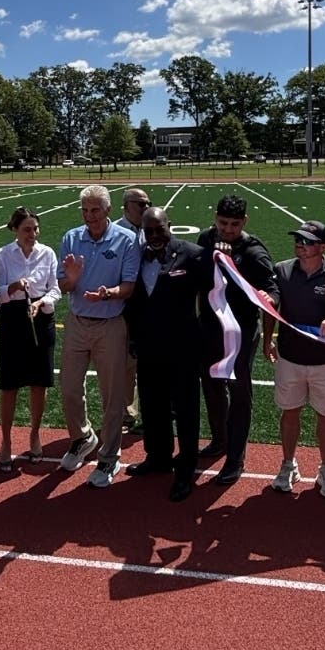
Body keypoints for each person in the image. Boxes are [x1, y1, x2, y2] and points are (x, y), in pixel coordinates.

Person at [261, 221, 325, 499]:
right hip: (290, 357)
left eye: (307, 241)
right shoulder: (282, 270)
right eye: (298, 240)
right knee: (290, 412)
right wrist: (266, 335)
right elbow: (272, 304)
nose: (301, 245)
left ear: (323, 247)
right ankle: (288, 464)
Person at [56, 184, 140, 487]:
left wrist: (109, 293)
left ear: (107, 210)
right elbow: (63, 285)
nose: (89, 216)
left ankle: (109, 457)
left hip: (110, 323)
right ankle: (83, 437)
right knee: (68, 388)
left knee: (112, 395)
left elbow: (129, 286)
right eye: (85, 210)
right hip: (77, 321)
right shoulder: (70, 238)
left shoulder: (127, 240)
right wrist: (72, 280)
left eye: (95, 210)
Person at [196, 194, 279, 486]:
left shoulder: (254, 252)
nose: (227, 229)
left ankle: (235, 458)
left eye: (234, 224)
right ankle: (219, 440)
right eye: (222, 222)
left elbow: (272, 291)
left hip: (241, 332)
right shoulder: (205, 239)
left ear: (244, 221)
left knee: (238, 390)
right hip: (209, 327)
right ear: (215, 218)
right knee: (211, 384)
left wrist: (268, 332)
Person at [124, 207, 205, 502]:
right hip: (147, 346)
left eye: (160, 229)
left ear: (169, 226)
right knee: (153, 405)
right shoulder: (137, 256)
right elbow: (132, 301)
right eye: (150, 231)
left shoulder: (193, 254)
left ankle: (185, 469)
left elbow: (214, 292)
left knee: (185, 409)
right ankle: (157, 457)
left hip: (183, 347)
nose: (156, 236)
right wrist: (133, 337)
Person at [0, 207, 60, 471]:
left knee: (38, 382)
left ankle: (34, 434)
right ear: (15, 231)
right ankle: (6, 441)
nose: (32, 234)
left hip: (41, 319)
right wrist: (12, 287)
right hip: (11, 319)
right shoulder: (2, 255)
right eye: (26, 230)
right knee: (9, 385)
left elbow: (55, 288)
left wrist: (43, 301)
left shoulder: (48, 253)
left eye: (35, 229)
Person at [116, 187, 151, 432]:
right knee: (127, 364)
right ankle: (127, 414)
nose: (146, 208)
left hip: (148, 306)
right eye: (141, 204)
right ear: (127, 206)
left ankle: (150, 413)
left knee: (149, 363)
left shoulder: (149, 230)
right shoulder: (116, 232)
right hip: (125, 306)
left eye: (148, 203)